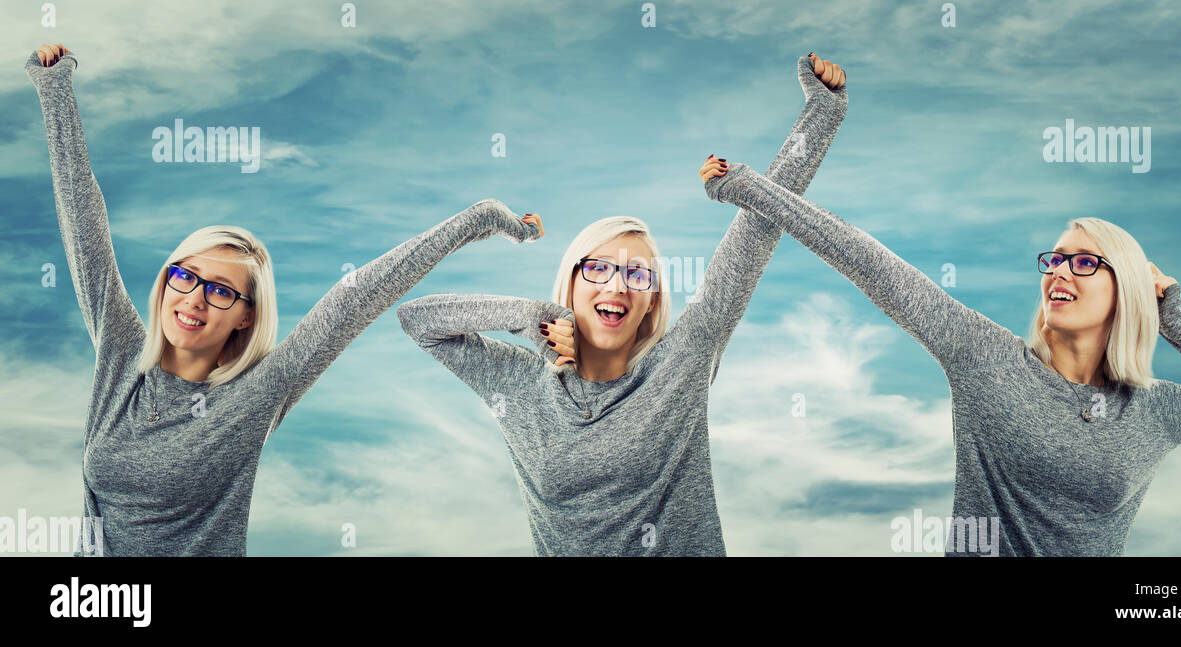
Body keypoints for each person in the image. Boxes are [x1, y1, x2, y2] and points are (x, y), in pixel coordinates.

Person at [28, 44, 543, 555]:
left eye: (221, 291)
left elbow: (354, 297)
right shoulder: (121, 359)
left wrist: (477, 221)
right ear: (166, 281)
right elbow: (84, 228)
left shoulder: (255, 393)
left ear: (245, 316)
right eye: (186, 276)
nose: (195, 300)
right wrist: (55, 91)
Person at [698, 157, 1181, 556]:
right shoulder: (987, 359)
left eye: (1083, 262)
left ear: (1123, 288)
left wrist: (1172, 318)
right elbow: (867, 260)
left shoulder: (1152, 410)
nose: (1058, 272)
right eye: (1053, 259)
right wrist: (747, 188)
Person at [397, 54, 848, 555]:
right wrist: (531, 318)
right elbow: (418, 320)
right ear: (571, 284)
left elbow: (757, 231)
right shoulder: (520, 383)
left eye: (637, 274)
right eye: (599, 267)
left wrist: (821, 114)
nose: (617, 285)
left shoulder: (682, 361)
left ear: (651, 302)